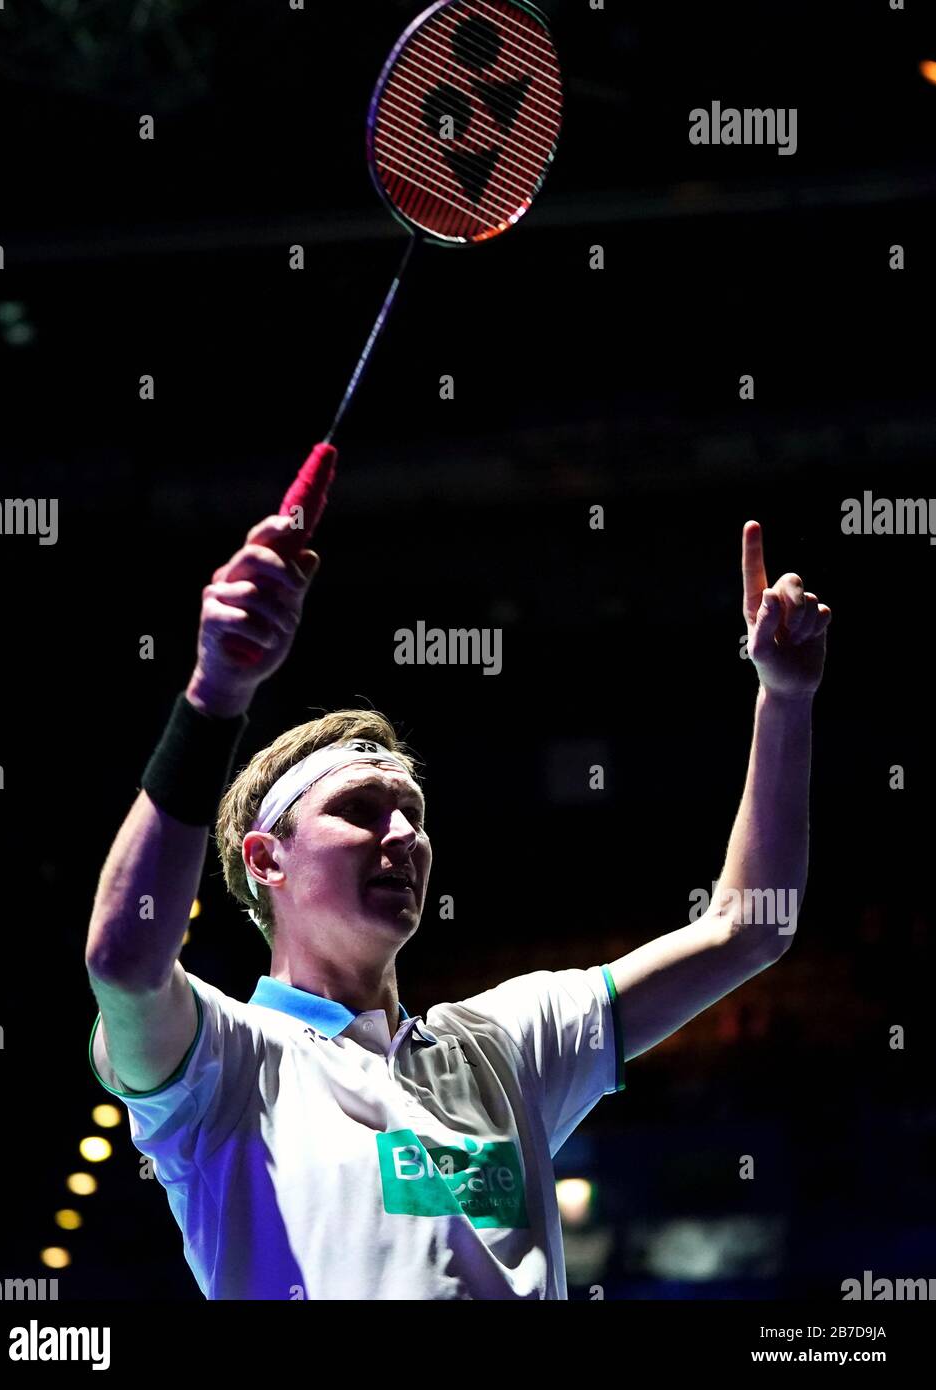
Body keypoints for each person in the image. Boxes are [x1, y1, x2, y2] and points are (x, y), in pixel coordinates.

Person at [85, 513, 831, 1299]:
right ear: (268, 858)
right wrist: (215, 696)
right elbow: (124, 962)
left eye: (411, 811)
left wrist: (783, 700)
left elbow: (750, 928)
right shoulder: (222, 1060)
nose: (403, 833)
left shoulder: (504, 1044)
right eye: (361, 808)